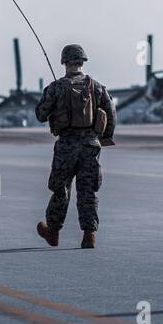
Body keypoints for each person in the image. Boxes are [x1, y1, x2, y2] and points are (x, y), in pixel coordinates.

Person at [34, 44, 117, 247]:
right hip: (90, 145)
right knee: (88, 190)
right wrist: (104, 138)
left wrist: (54, 105)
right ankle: (89, 235)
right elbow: (111, 113)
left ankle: (52, 232)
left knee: (61, 189)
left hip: (66, 146)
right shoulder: (97, 87)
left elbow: (40, 115)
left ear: (64, 63)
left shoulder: (56, 88)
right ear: (82, 62)